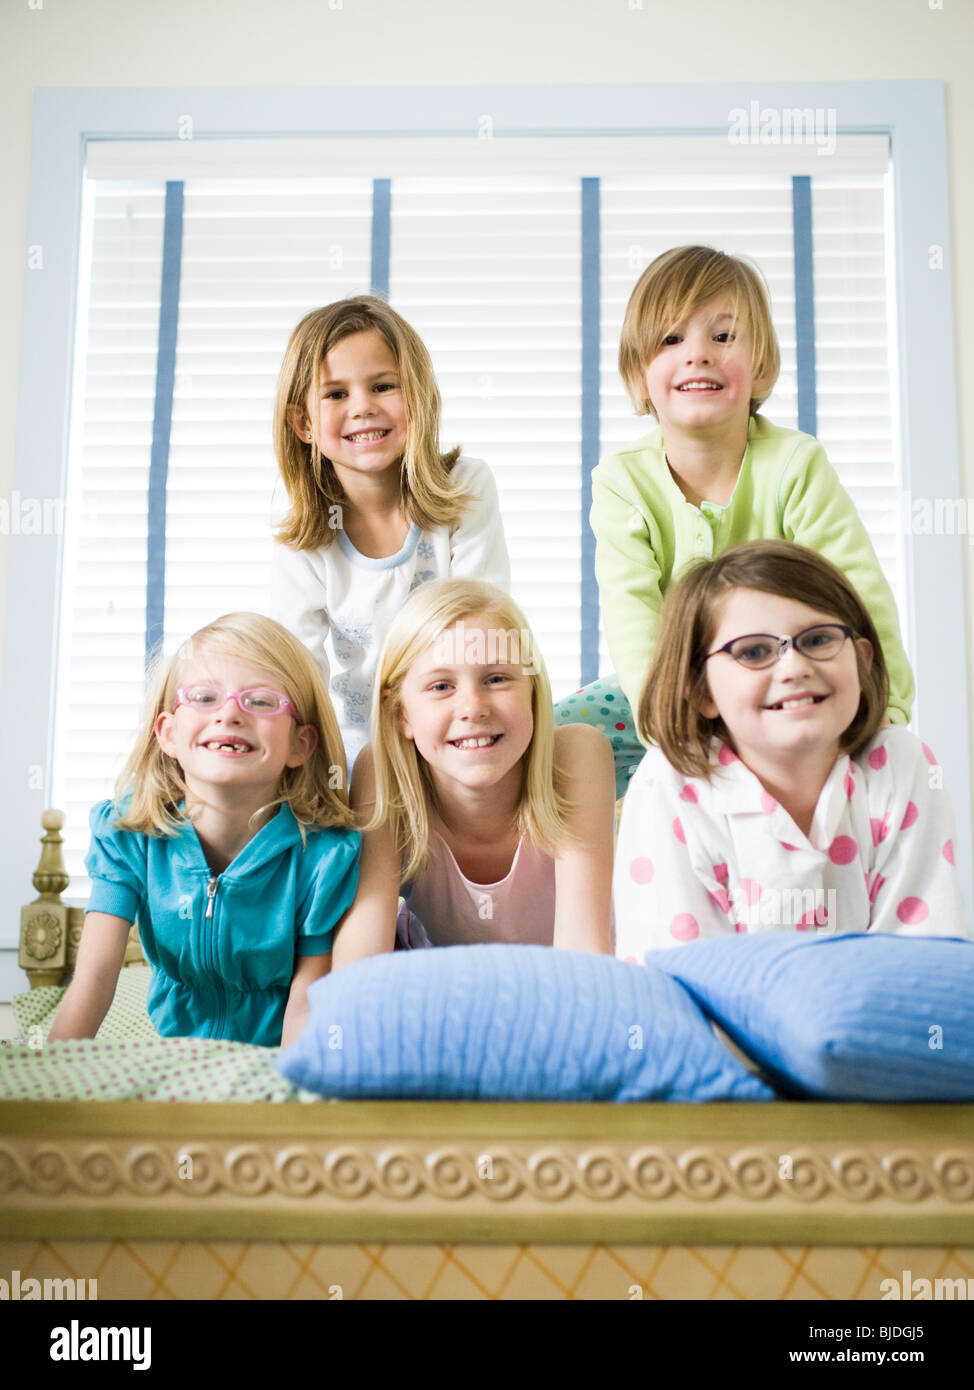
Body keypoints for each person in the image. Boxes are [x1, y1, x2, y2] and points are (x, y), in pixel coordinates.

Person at [558, 245, 914, 795]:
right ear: (638, 371)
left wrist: (885, 707)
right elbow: (634, 626)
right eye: (671, 340)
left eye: (723, 337)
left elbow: (859, 591)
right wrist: (671, 731)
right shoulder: (621, 483)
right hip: (672, 693)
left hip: (783, 679)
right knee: (554, 743)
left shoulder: (795, 464)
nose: (698, 355)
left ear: (762, 363)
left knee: (871, 755)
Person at [613, 541, 965, 959]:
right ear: (701, 689)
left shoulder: (902, 765)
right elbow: (677, 978)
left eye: (818, 639)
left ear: (862, 660)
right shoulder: (669, 783)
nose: (795, 667)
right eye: (754, 651)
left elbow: (923, 958)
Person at [49, 613, 361, 1047]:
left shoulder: (323, 858)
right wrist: (51, 1087)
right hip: (175, 1060)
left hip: (274, 1062)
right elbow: (95, 979)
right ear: (169, 733)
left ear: (299, 744)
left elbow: (307, 1000)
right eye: (204, 697)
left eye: (261, 701)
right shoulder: (129, 835)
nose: (229, 713)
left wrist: (290, 1100)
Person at [271, 295, 510, 773]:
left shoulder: (465, 486)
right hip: (367, 753)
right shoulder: (305, 531)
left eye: (382, 386)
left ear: (416, 398)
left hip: (462, 727)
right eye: (336, 394)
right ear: (304, 424)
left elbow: (480, 628)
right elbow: (301, 666)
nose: (362, 408)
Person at [331, 579, 615, 963]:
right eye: (441, 686)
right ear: (401, 713)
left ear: (533, 692)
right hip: (447, 992)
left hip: (561, 990)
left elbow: (586, 954)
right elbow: (359, 962)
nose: (473, 707)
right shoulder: (382, 773)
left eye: (496, 679)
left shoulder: (575, 755)